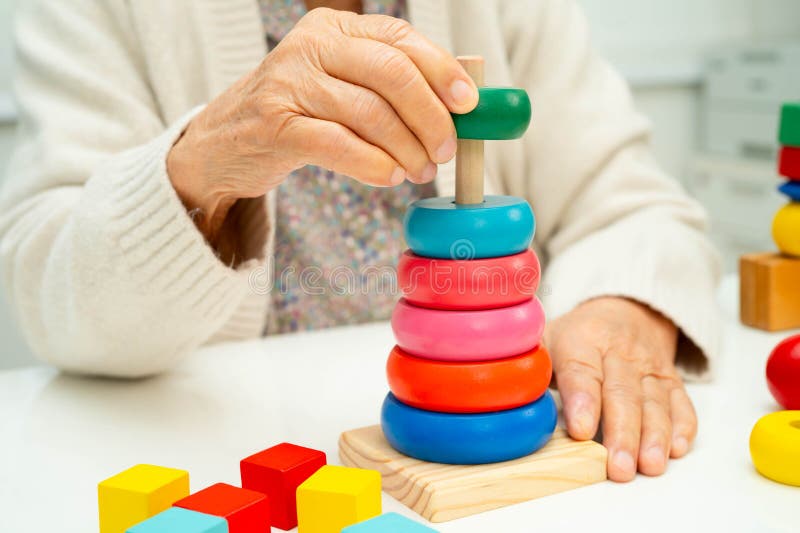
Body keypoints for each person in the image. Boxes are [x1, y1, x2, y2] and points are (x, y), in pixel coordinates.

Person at [0, 0, 721, 482]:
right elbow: (45, 280)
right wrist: (205, 166)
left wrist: (621, 307)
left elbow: (638, 202)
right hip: (208, 446)